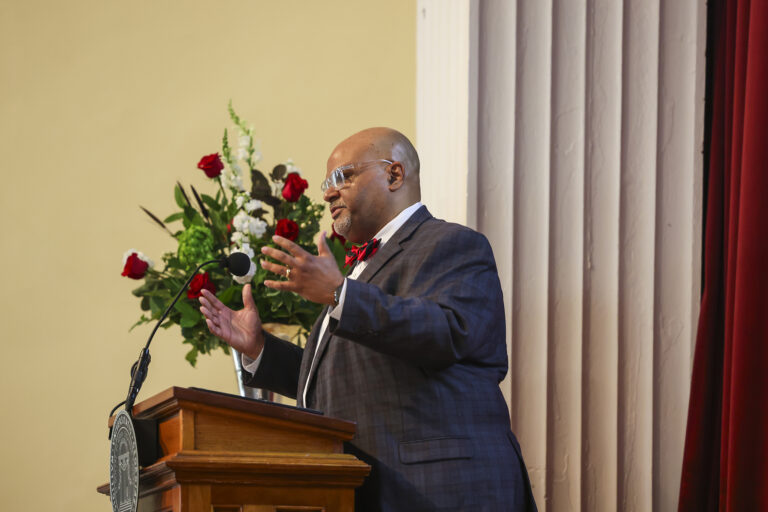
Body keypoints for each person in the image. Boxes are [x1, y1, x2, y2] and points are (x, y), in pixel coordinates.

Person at [199, 127, 536, 511]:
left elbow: (446, 333)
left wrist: (340, 296)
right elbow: (342, 381)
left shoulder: (452, 244)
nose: (327, 192)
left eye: (342, 177)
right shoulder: (356, 271)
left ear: (394, 174)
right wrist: (259, 349)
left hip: (442, 489)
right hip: (370, 487)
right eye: (327, 182)